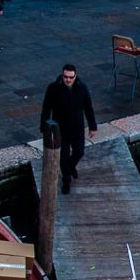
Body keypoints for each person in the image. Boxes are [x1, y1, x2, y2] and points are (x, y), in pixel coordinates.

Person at [40, 64, 98, 194]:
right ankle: (66, 180)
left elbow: (88, 108)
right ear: (62, 75)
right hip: (60, 130)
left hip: (77, 128)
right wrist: (44, 127)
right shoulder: (53, 88)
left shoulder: (82, 88)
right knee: (63, 156)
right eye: (65, 77)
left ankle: (71, 167)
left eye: (71, 77)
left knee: (79, 152)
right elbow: (46, 108)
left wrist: (92, 126)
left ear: (75, 76)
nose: (68, 80)